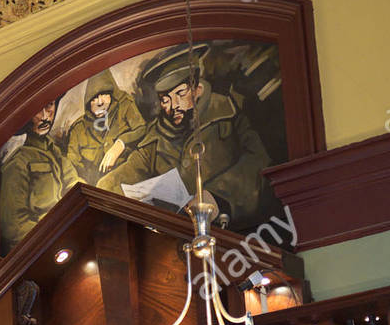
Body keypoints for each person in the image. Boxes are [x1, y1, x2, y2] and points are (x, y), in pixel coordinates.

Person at [98, 51, 272, 227]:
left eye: (180, 94)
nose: (174, 106)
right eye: (165, 100)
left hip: (239, 236)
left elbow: (259, 161)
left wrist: (217, 196)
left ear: (197, 89)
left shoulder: (230, 114)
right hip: (176, 244)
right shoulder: (155, 138)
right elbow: (115, 182)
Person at [0, 98, 79, 252]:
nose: (44, 117)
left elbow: (74, 184)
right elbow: (13, 226)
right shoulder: (18, 161)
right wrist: (54, 238)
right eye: (36, 109)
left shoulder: (53, 150)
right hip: (38, 251)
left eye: (49, 105)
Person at [64, 68, 147, 184]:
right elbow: (71, 163)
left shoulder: (125, 105)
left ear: (111, 95)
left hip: (128, 182)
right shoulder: (78, 129)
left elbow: (142, 129)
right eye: (94, 98)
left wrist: (120, 143)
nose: (100, 102)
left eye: (104, 94)